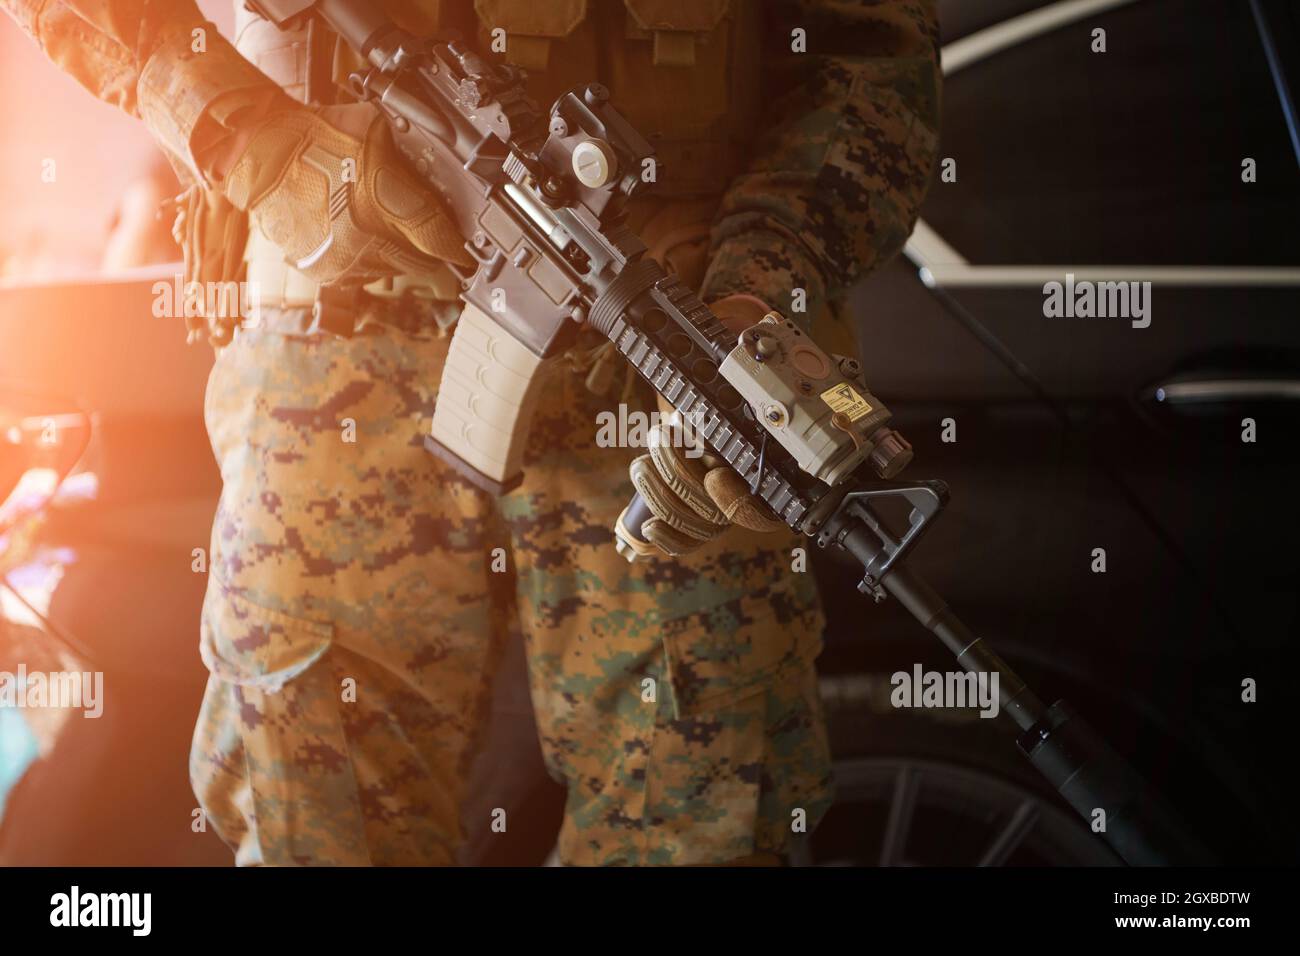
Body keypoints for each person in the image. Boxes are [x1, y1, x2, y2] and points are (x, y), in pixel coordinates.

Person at [0, 0, 940, 865]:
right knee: (318, 810)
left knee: (702, 811)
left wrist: (762, 286)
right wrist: (239, 131)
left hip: (661, 333)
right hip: (335, 316)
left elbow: (867, 53)